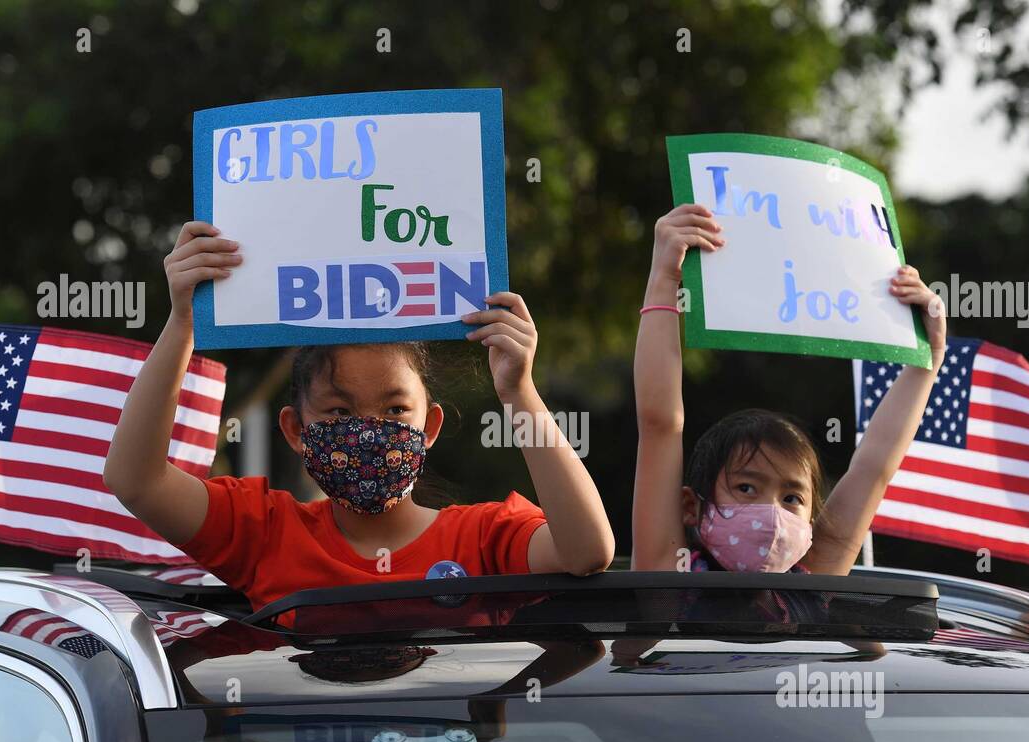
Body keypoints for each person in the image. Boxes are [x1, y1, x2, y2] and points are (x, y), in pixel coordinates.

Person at [104, 221, 615, 626]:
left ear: (430, 426)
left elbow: (588, 551)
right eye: (340, 412)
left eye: (395, 410)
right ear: (295, 430)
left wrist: (519, 391)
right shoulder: (266, 532)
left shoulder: (482, 538)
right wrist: (182, 324)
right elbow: (136, 481)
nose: (369, 429)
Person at [631, 203, 947, 578]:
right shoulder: (665, 575)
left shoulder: (815, 580)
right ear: (690, 507)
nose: (772, 514)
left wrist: (929, 359)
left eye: (792, 498)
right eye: (747, 488)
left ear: (813, 521)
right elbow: (660, 423)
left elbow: (873, 467)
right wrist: (664, 278)